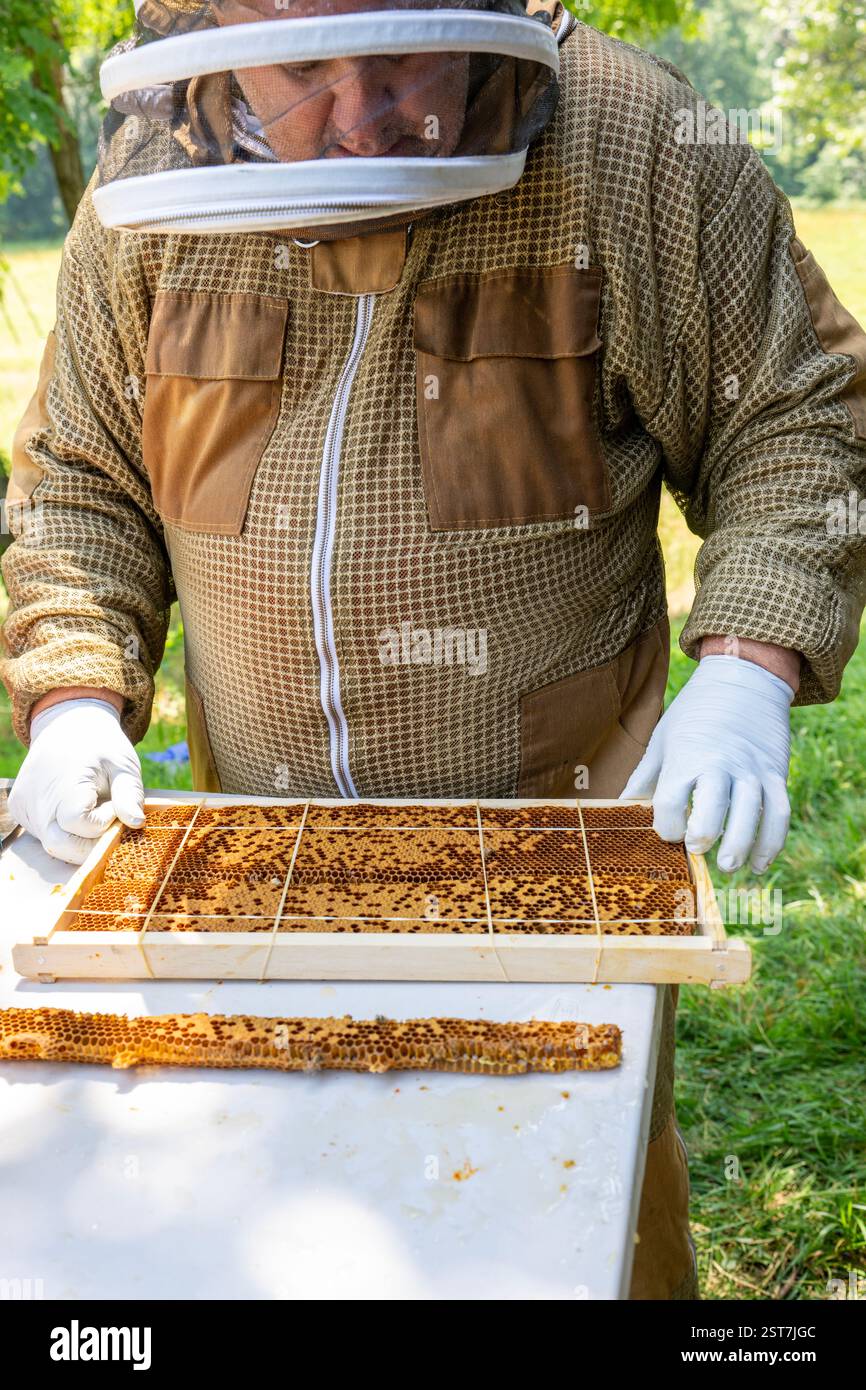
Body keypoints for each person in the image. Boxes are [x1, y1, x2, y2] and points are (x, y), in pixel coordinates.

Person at [3, 0, 866, 1299]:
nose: (359, 116)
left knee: (576, 1224)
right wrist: (73, 696)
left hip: (563, 871)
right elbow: (82, 476)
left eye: (400, 57)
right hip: (253, 878)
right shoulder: (159, 180)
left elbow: (797, 422)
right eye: (302, 72)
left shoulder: (635, 144)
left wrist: (749, 665)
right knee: (263, 1232)